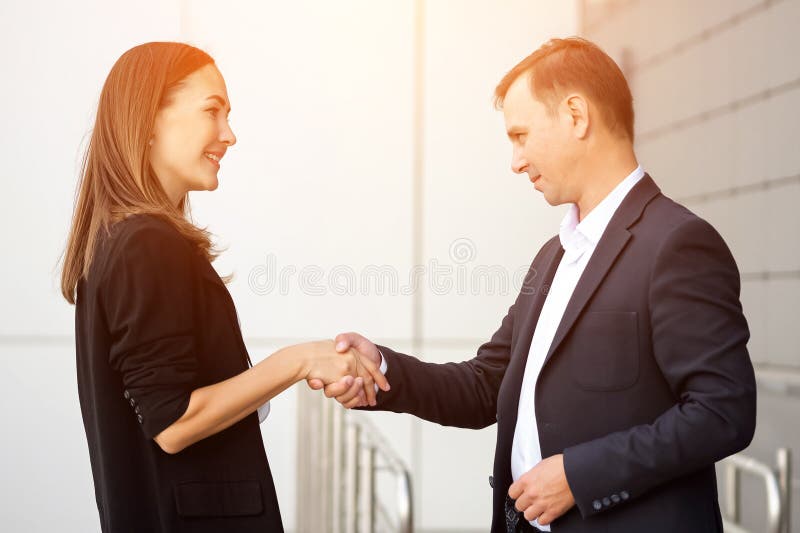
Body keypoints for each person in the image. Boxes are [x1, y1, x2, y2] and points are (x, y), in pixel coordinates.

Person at [311, 37, 756, 532]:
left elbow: (723, 412)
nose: (515, 161)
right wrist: (385, 368)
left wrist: (579, 475)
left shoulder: (678, 243)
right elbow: (488, 384)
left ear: (576, 116)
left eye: (521, 135)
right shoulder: (554, 256)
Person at [60, 42, 387, 533]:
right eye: (212, 111)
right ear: (149, 119)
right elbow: (173, 424)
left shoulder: (120, 240)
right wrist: (296, 362)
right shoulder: (146, 243)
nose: (228, 134)